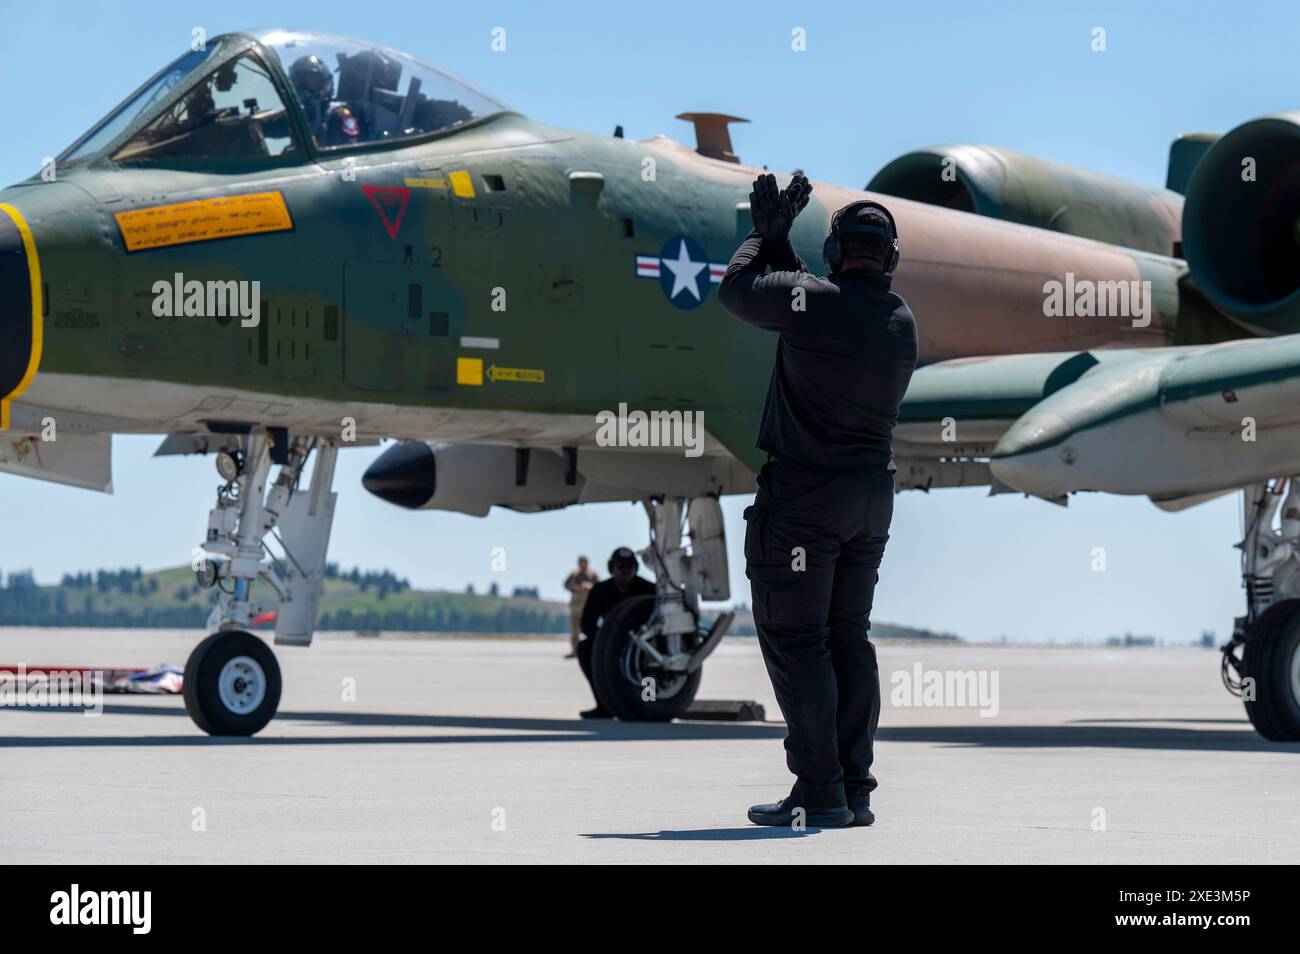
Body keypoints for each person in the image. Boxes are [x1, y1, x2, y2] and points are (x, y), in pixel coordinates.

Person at [717, 173, 918, 828]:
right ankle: (853, 789)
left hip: (807, 499)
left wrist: (762, 236)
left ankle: (819, 790)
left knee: (798, 640)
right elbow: (810, 308)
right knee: (848, 638)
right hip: (869, 499)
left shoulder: (820, 302)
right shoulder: (898, 321)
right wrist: (781, 249)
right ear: (889, 262)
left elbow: (739, 292)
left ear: (834, 256)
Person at [574, 547, 655, 719]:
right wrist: (604, 642)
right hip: (611, 644)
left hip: (643, 644)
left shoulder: (649, 589)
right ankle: (604, 705)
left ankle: (651, 703)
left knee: (652, 660)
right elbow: (587, 623)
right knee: (585, 649)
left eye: (629, 566)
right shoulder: (600, 590)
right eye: (621, 566)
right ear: (612, 569)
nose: (625, 570)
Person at [562, 556, 599, 658]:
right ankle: (575, 651)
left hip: (588, 606)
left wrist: (589, 587)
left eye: (584, 563)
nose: (582, 566)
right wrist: (574, 587)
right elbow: (565, 585)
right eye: (580, 563)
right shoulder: (573, 574)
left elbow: (600, 587)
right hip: (575, 606)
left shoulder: (593, 575)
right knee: (575, 631)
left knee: (590, 630)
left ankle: (592, 652)